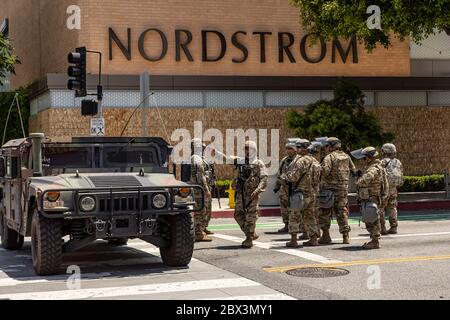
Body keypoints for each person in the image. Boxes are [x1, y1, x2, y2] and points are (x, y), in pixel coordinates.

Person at [214, 141, 268, 248]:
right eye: (246, 149)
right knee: (238, 215)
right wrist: (216, 153)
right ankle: (251, 233)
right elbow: (227, 159)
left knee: (251, 216)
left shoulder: (258, 163)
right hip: (240, 193)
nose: (247, 151)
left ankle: (249, 238)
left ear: (254, 150)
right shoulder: (241, 161)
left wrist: (257, 190)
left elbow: (264, 178)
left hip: (252, 194)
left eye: (249, 149)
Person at [281, 139, 320, 247]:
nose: (297, 150)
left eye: (298, 147)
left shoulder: (301, 161)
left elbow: (293, 177)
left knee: (294, 215)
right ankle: (314, 239)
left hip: (300, 193)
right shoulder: (315, 161)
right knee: (310, 216)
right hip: (312, 193)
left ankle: (293, 240)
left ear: (303, 148)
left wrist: (284, 177)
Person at [319, 137, 357, 245]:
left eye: (326, 146)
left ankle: (326, 235)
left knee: (324, 212)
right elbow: (353, 170)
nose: (325, 148)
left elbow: (325, 172)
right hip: (342, 190)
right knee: (342, 212)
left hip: (328, 190)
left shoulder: (329, 157)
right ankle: (346, 237)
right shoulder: (346, 156)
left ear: (330, 147)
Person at [351, 147, 389, 249]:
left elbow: (363, 182)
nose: (362, 161)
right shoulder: (376, 167)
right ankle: (374, 240)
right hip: (371, 197)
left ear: (368, 158)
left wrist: (358, 177)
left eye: (363, 158)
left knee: (372, 220)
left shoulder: (373, 169)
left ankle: (375, 241)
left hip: (372, 197)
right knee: (371, 219)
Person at [189, 138, 213, 242]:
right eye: (201, 147)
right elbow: (201, 176)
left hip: (202, 188)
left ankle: (202, 228)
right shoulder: (196, 159)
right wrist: (206, 190)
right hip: (200, 190)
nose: (203, 149)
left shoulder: (199, 158)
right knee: (200, 210)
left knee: (206, 208)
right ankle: (198, 233)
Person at [274, 139, 299, 233]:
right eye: (287, 148)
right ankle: (286, 224)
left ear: (295, 149)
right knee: (284, 208)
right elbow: (279, 173)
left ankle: (297, 227)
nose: (288, 150)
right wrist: (277, 186)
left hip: (294, 188)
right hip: (284, 189)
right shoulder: (284, 160)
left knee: (295, 208)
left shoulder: (298, 160)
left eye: (290, 148)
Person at [380, 143, 404, 235]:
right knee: (392, 207)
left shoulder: (382, 162)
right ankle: (394, 227)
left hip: (384, 188)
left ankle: (382, 228)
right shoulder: (398, 162)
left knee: (381, 207)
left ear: (384, 151)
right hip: (394, 188)